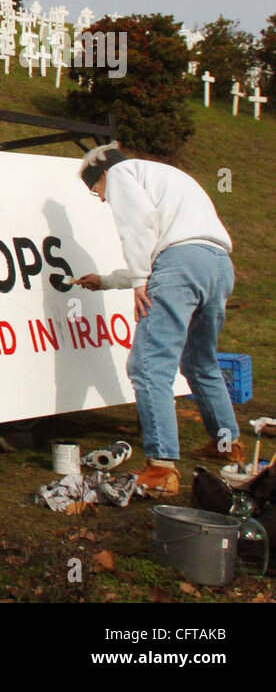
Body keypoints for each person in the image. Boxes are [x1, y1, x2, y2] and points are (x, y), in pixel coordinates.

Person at [73, 142, 242, 496]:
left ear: (102, 173)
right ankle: (228, 444)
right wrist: (108, 280)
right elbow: (167, 254)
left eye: (96, 191)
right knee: (201, 361)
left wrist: (136, 281)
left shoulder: (119, 174)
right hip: (218, 264)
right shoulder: (165, 176)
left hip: (182, 264)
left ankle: (161, 467)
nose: (102, 199)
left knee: (149, 366)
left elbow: (140, 227)